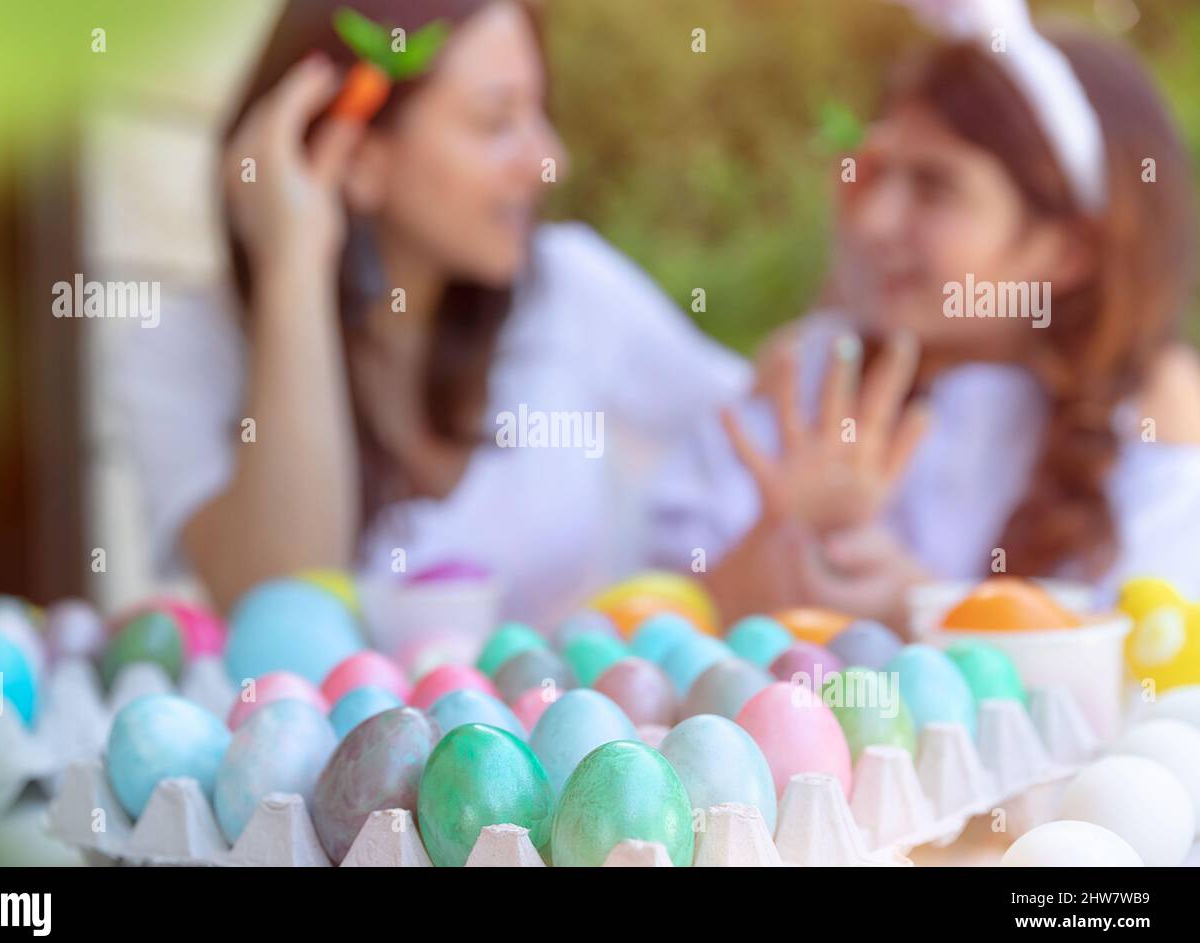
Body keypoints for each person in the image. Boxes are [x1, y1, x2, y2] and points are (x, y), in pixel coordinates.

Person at [111, 0, 747, 627]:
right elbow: (283, 606)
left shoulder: (570, 287)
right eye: (498, 122)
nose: (550, 160)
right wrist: (295, 267)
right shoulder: (180, 346)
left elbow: (756, 417)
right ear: (357, 156)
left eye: (538, 114)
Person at [648, 2, 1200, 628]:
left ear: (1069, 251)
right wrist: (770, 553)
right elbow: (644, 626)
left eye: (934, 188)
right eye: (877, 176)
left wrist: (923, 610)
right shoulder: (809, 380)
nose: (877, 221)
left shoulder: (1149, 420)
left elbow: (1155, 672)